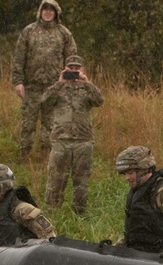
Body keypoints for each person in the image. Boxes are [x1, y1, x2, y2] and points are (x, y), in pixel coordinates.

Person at [12, 0, 77, 164]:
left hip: (54, 88)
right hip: (31, 87)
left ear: (56, 13)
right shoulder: (29, 31)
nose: (48, 12)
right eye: (45, 9)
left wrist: (68, 82)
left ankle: (44, 159)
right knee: (28, 124)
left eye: (51, 10)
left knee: (50, 125)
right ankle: (24, 159)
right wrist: (17, 82)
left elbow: (71, 60)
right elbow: (19, 59)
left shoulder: (64, 33)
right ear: (40, 11)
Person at [41, 55, 103, 214]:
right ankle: (52, 213)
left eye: (77, 68)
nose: (74, 71)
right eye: (71, 68)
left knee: (81, 180)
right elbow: (45, 102)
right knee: (56, 179)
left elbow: (99, 101)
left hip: (83, 141)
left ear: (83, 70)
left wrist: (87, 83)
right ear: (65, 69)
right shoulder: (58, 88)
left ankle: (79, 213)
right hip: (61, 141)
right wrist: (59, 82)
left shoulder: (86, 88)